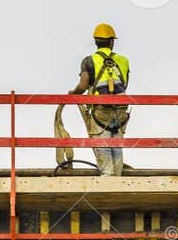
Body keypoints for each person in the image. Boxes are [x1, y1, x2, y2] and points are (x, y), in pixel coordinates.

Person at [56, 22, 131, 175]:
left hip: (100, 113)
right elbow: (124, 84)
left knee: (103, 151)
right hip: (121, 111)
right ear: (111, 41)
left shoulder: (89, 61)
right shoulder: (123, 61)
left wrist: (73, 94)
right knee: (116, 148)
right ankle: (117, 180)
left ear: (96, 42)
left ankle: (108, 180)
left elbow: (83, 86)